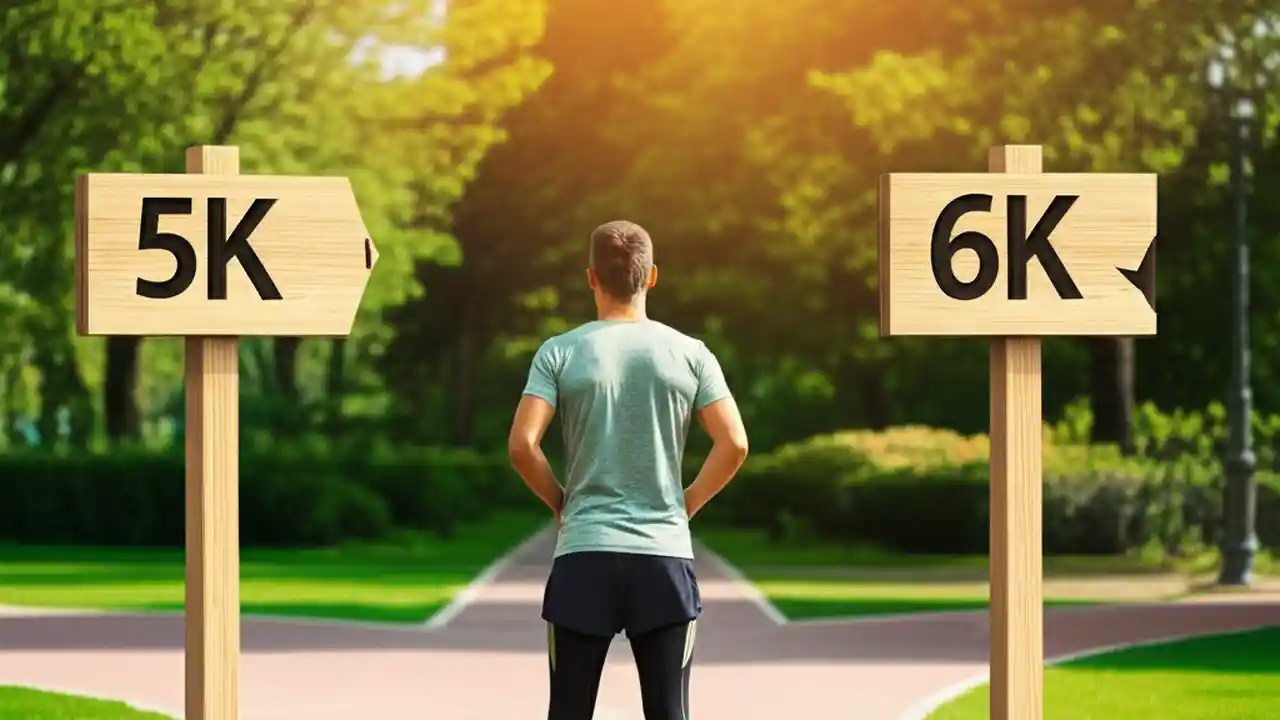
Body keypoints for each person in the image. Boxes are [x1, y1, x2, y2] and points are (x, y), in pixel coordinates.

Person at [507, 220, 749, 720]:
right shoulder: (690, 353)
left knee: (568, 713)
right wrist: (685, 505)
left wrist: (560, 501)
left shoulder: (561, 351)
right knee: (668, 713)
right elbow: (735, 443)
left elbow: (523, 446)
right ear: (652, 276)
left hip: (585, 554)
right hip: (663, 557)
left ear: (591, 277)